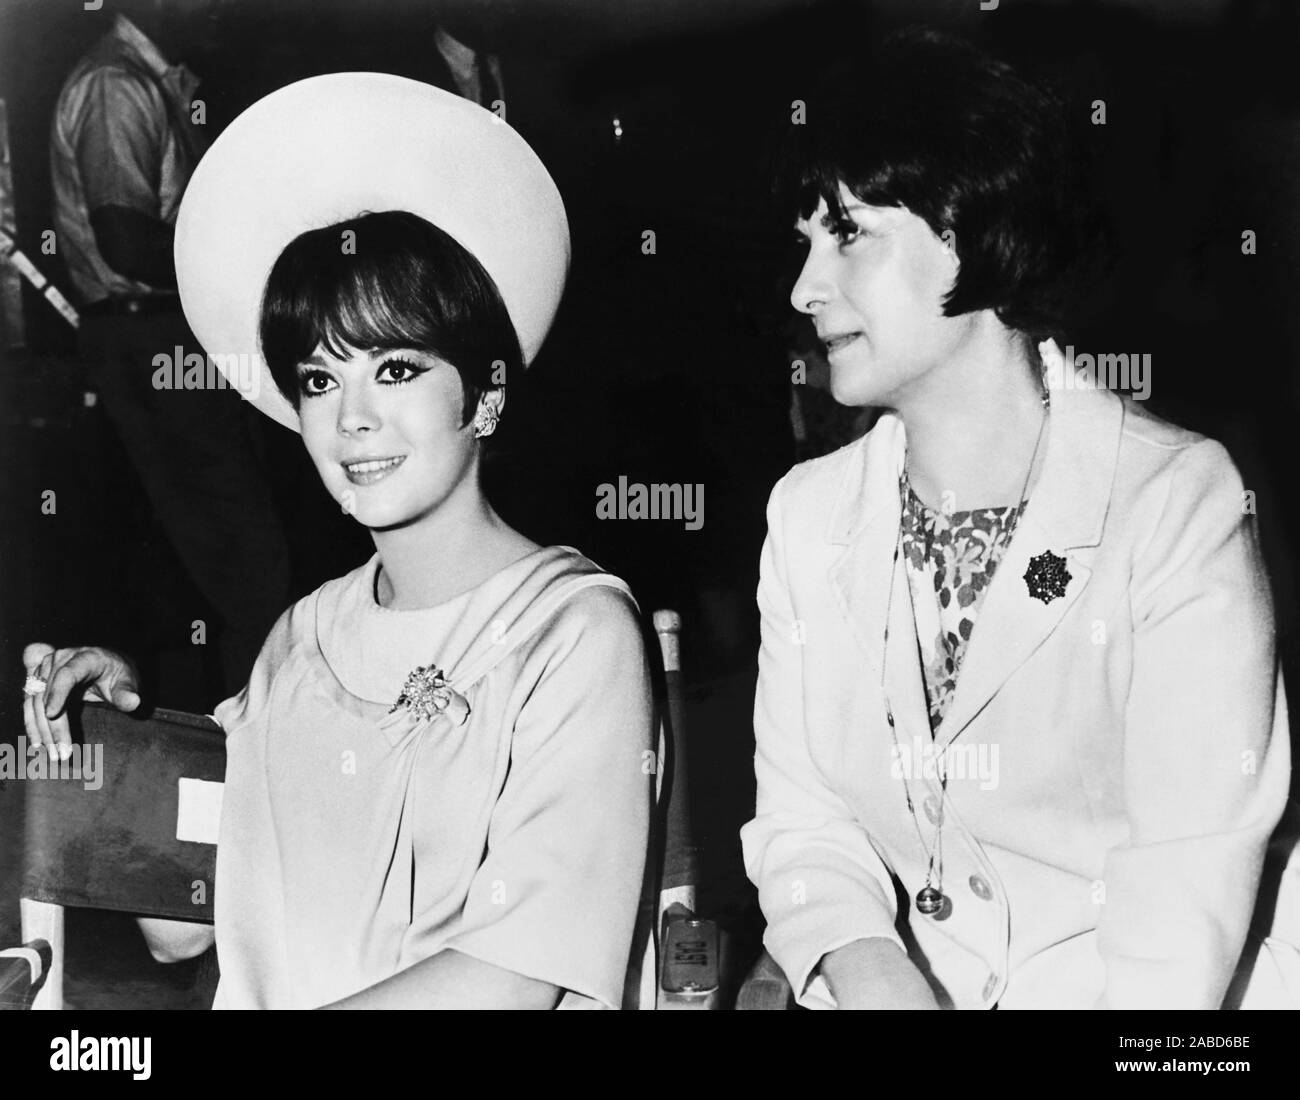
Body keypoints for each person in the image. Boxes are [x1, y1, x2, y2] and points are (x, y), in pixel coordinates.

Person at [24, 73, 654, 1009]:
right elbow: (178, 925)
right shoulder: (298, 644)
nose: (351, 418)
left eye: (396, 368)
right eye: (318, 380)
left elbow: (519, 978)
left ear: (485, 395)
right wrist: (103, 735)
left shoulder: (571, 635)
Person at [740, 28, 1295, 1009]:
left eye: (849, 231)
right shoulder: (807, 514)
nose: (804, 287)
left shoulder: (1173, 506)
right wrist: (872, 973)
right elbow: (803, 823)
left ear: (966, 224)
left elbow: (1178, 914)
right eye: (804, 241)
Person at [49, 0, 292, 696]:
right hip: (148, 335)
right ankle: (248, 744)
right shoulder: (115, 85)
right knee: (248, 564)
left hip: (167, 336)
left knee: (228, 559)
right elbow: (124, 240)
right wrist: (242, 263)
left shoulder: (157, 79)